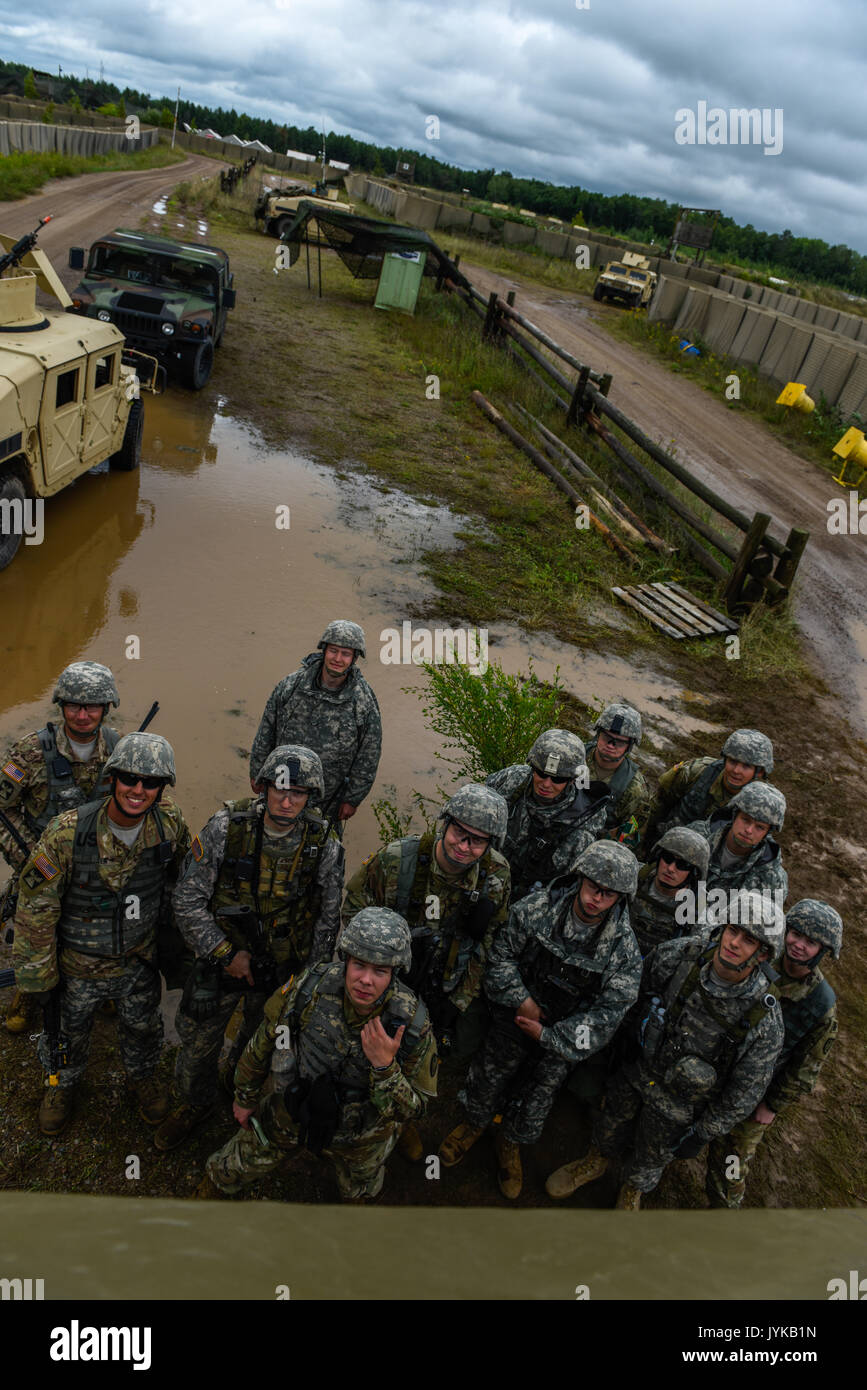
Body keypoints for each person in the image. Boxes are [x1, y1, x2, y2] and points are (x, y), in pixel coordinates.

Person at [154, 745, 344, 1151]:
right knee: (197, 1043)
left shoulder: (323, 842)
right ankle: (193, 1104)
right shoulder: (228, 827)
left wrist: (308, 985)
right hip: (220, 959)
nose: (288, 800)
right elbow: (186, 900)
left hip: (281, 968)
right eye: (280, 789)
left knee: (258, 1042)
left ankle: (236, 1087)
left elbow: (329, 920)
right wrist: (225, 954)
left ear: (312, 796)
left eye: (299, 792)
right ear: (263, 787)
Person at [545, 891, 784, 1209]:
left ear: (763, 955)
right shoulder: (683, 956)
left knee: (653, 1152)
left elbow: (746, 1089)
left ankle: (632, 1190)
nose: (734, 943)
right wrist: (622, 1041)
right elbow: (634, 991)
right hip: (638, 1068)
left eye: (748, 940)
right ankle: (595, 1160)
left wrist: (703, 1132)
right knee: (610, 1119)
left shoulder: (763, 1018)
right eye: (732, 930)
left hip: (680, 1103)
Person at [439, 842, 642, 1200]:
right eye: (593, 886)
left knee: (537, 1096)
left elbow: (608, 1015)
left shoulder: (623, 950)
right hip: (515, 1017)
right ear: (579, 878)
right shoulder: (537, 908)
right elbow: (498, 956)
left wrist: (550, 1036)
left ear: (621, 898)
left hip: (560, 1041)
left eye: (608, 894)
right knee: (489, 1075)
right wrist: (522, 1000)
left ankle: (510, 1144)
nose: (597, 898)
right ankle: (472, 1125)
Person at [10, 734, 190, 1136]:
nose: (138, 790)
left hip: (138, 962)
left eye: (151, 782)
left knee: (143, 1028)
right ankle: (62, 1086)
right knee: (67, 1034)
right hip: (77, 966)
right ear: (112, 779)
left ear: (162, 787)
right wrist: (38, 976)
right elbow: (36, 907)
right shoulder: (66, 834)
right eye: (129, 778)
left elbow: (185, 882)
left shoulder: (169, 825)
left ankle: (142, 1077)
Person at [194, 908, 438, 1203]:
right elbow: (264, 1040)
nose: (366, 981)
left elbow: (416, 1109)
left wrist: (385, 1068)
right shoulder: (311, 987)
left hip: (362, 1136)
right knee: (230, 1167)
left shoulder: (412, 1025)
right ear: (346, 960)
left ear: (393, 974)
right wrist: (244, 1097)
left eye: (380, 971)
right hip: (293, 1109)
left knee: (359, 1192)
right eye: (359, 965)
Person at [1, 662, 122, 1034]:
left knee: (105, 929)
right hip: (41, 860)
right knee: (35, 932)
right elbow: (3, 810)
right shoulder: (30, 751)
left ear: (106, 707)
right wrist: (28, 858)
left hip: (97, 864)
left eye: (92, 706)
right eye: (73, 706)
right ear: (61, 706)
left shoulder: (119, 749)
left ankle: (103, 986)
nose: (83, 715)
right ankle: (28, 990)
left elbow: (139, 803)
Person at [706, 898, 842, 1208]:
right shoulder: (760, 958)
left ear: (823, 951)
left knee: (731, 1161)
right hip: (718, 1062)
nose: (799, 945)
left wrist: (771, 1105)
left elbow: (805, 1069)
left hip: (758, 1089)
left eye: (811, 942)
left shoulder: (821, 1007)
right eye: (795, 934)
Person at [249, 620, 382, 829]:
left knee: (319, 852)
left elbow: (369, 753)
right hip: (280, 789)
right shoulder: (291, 686)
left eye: (345, 654)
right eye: (333, 651)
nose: (338, 659)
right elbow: (266, 730)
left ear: (354, 657)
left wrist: (353, 798)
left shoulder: (363, 702)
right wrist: (257, 771)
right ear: (324, 650)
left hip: (327, 799)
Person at [484, 729, 611, 903]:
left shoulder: (579, 831)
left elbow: (568, 891)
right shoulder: (512, 780)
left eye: (557, 779)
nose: (546, 784)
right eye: (541, 773)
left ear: (572, 780)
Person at [647, 729, 774, 842]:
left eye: (746, 766)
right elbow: (657, 804)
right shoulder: (697, 772)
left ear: (760, 772)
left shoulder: (763, 803)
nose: (736, 770)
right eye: (733, 761)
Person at [689, 783, 788, 902]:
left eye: (760, 827)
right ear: (734, 815)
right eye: (746, 820)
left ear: (767, 833)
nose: (749, 830)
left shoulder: (772, 879)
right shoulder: (695, 836)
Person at [631, 827, 710, 957]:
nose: (671, 868)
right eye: (667, 858)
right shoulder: (633, 876)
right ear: (658, 856)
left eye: (682, 865)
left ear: (694, 873)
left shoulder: (699, 910)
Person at [583, 703, 651, 852]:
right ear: (598, 733)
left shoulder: (635, 791)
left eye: (619, 742)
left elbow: (625, 842)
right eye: (607, 737)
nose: (611, 745)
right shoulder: (576, 756)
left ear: (629, 746)